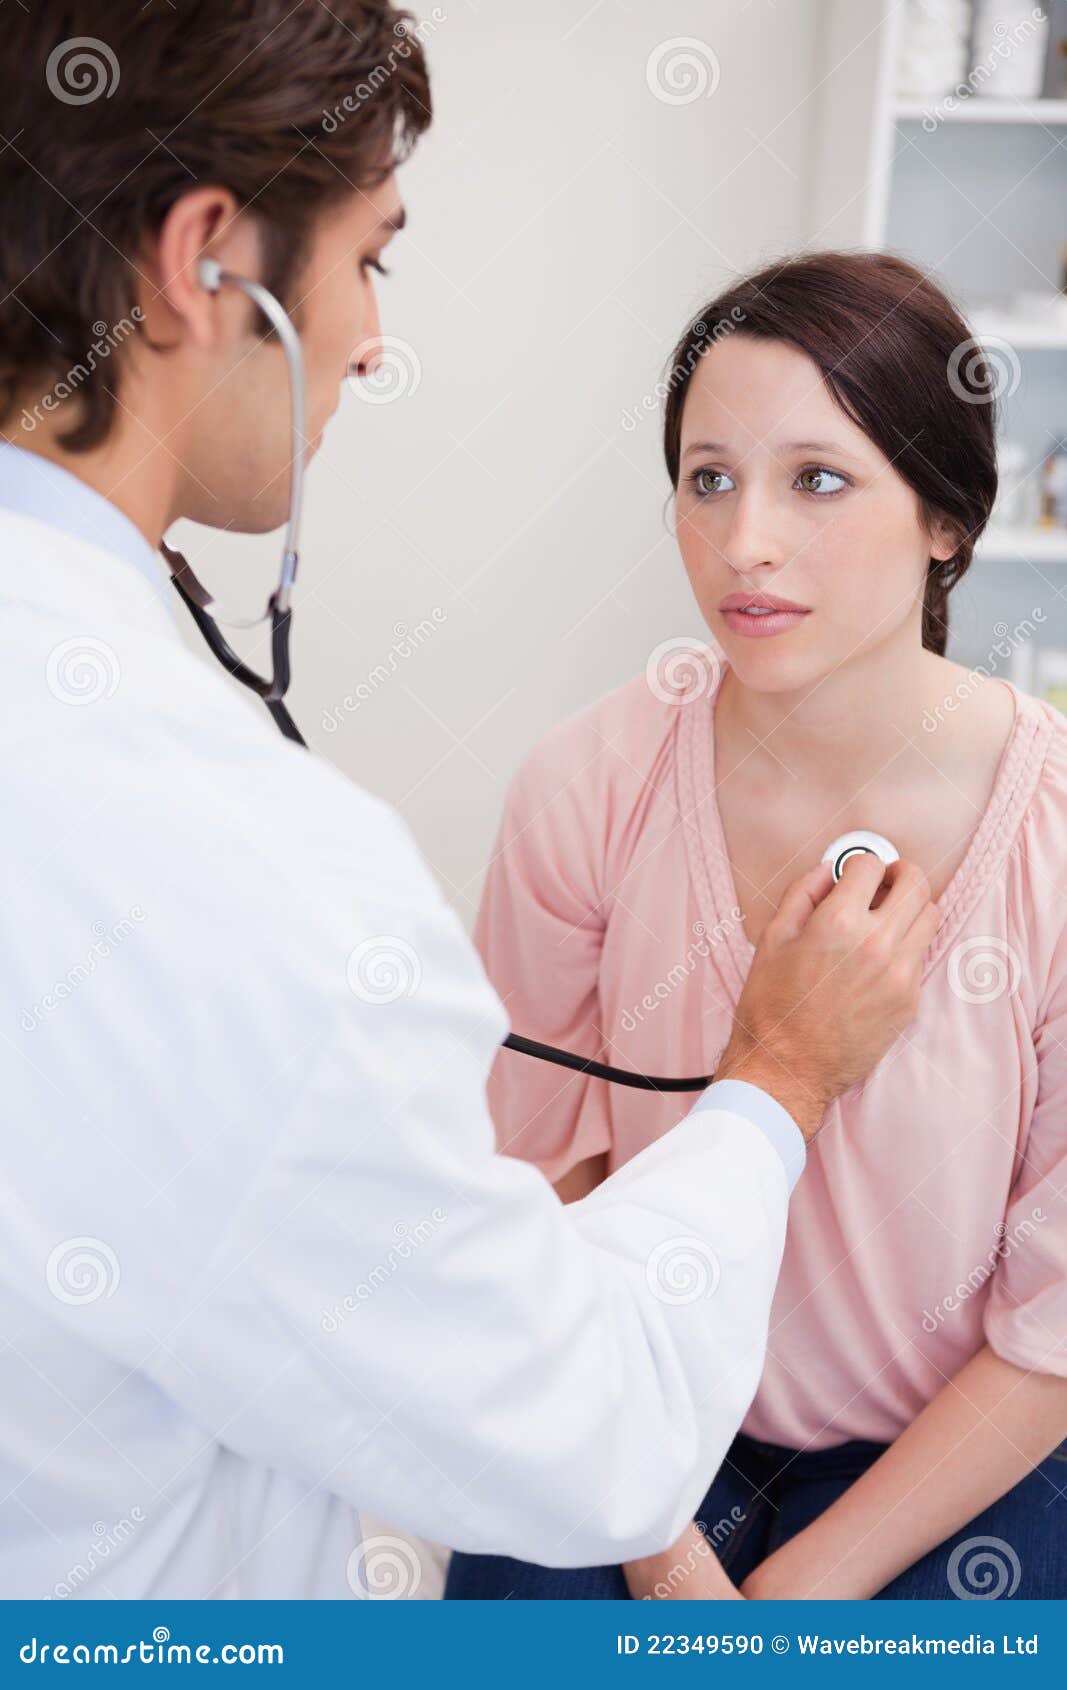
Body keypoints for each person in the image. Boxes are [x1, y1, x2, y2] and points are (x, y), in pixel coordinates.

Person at [0, 6, 938, 1600]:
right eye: (373, 260)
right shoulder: (271, 855)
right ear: (207, 260)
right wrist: (777, 1081)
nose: (372, 338)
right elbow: (582, 1422)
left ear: (947, 519)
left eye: (820, 477)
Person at [445, 252, 1067, 1602]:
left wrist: (799, 1593)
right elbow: (535, 1187)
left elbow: (1058, 1319)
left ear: (948, 518)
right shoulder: (588, 784)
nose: (745, 544)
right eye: (708, 477)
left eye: (817, 479)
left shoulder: (1056, 830)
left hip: (959, 1442)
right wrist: (665, 1549)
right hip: (641, 1408)